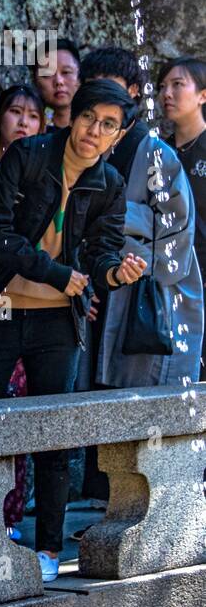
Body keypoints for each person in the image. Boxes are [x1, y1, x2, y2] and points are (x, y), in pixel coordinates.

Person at [0, 78, 148, 583]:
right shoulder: (28, 156)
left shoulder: (109, 184)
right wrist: (58, 275)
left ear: (120, 134)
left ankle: (49, 549)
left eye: (109, 126)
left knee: (54, 438)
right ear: (73, 115)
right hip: (1, 308)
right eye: (90, 118)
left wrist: (116, 273)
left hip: (58, 320)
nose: (95, 131)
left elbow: (101, 254)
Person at [73, 50, 203, 521]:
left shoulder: (155, 155)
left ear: (131, 94)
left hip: (149, 293)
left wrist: (129, 251)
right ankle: (108, 511)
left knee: (142, 403)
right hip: (98, 289)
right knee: (99, 400)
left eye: (111, 84)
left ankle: (154, 516)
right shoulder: (82, 152)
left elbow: (178, 237)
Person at [0, 84, 44, 540]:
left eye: (32, 116)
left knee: (14, 404)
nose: (23, 122)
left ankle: (10, 516)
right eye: (14, 112)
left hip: (22, 299)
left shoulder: (44, 168)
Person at [159, 55, 206, 380]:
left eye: (178, 85)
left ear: (203, 94)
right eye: (163, 86)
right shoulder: (157, 152)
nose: (167, 94)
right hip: (167, 282)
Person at [32, 37, 81, 130]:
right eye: (47, 74)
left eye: (66, 72)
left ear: (79, 76)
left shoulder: (95, 129)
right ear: (35, 81)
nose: (59, 81)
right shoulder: (29, 133)